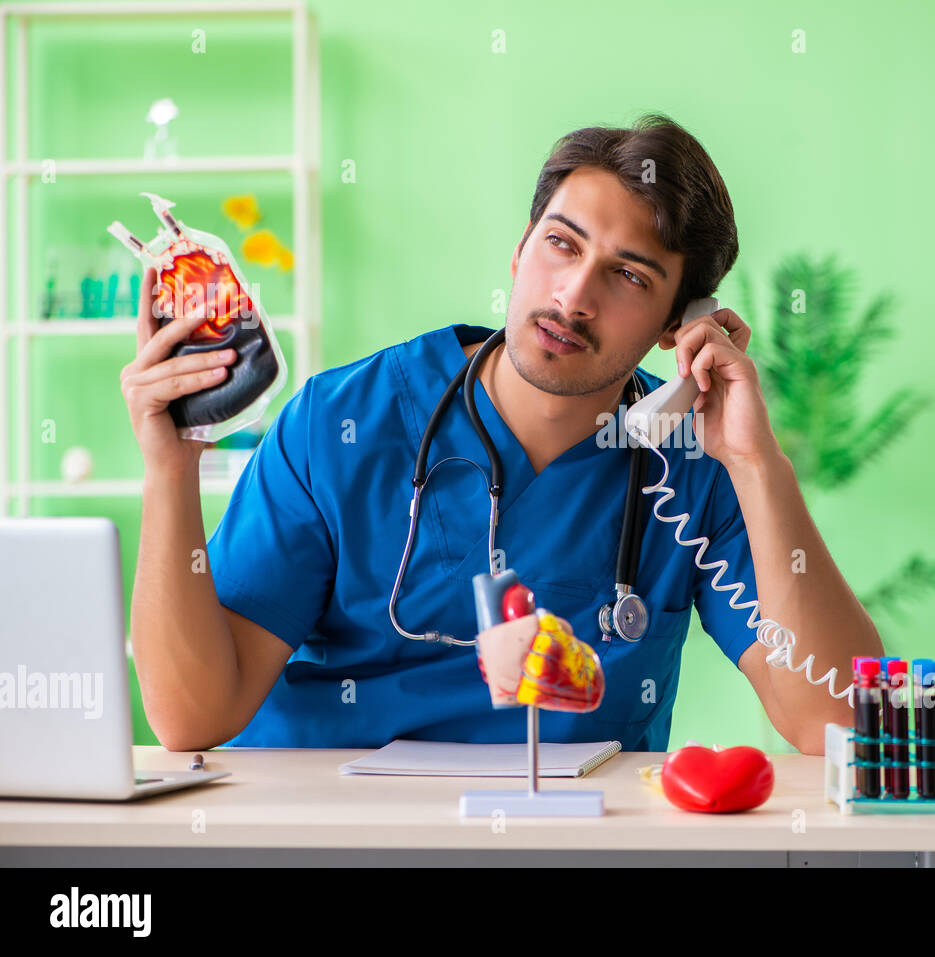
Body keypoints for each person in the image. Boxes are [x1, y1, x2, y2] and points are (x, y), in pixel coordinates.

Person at [120, 113, 883, 754]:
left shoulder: (691, 463)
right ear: (520, 251)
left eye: (630, 276)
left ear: (676, 327)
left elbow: (844, 721)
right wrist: (170, 469)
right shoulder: (340, 423)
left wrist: (757, 462)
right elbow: (193, 716)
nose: (573, 293)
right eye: (562, 243)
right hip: (330, 843)